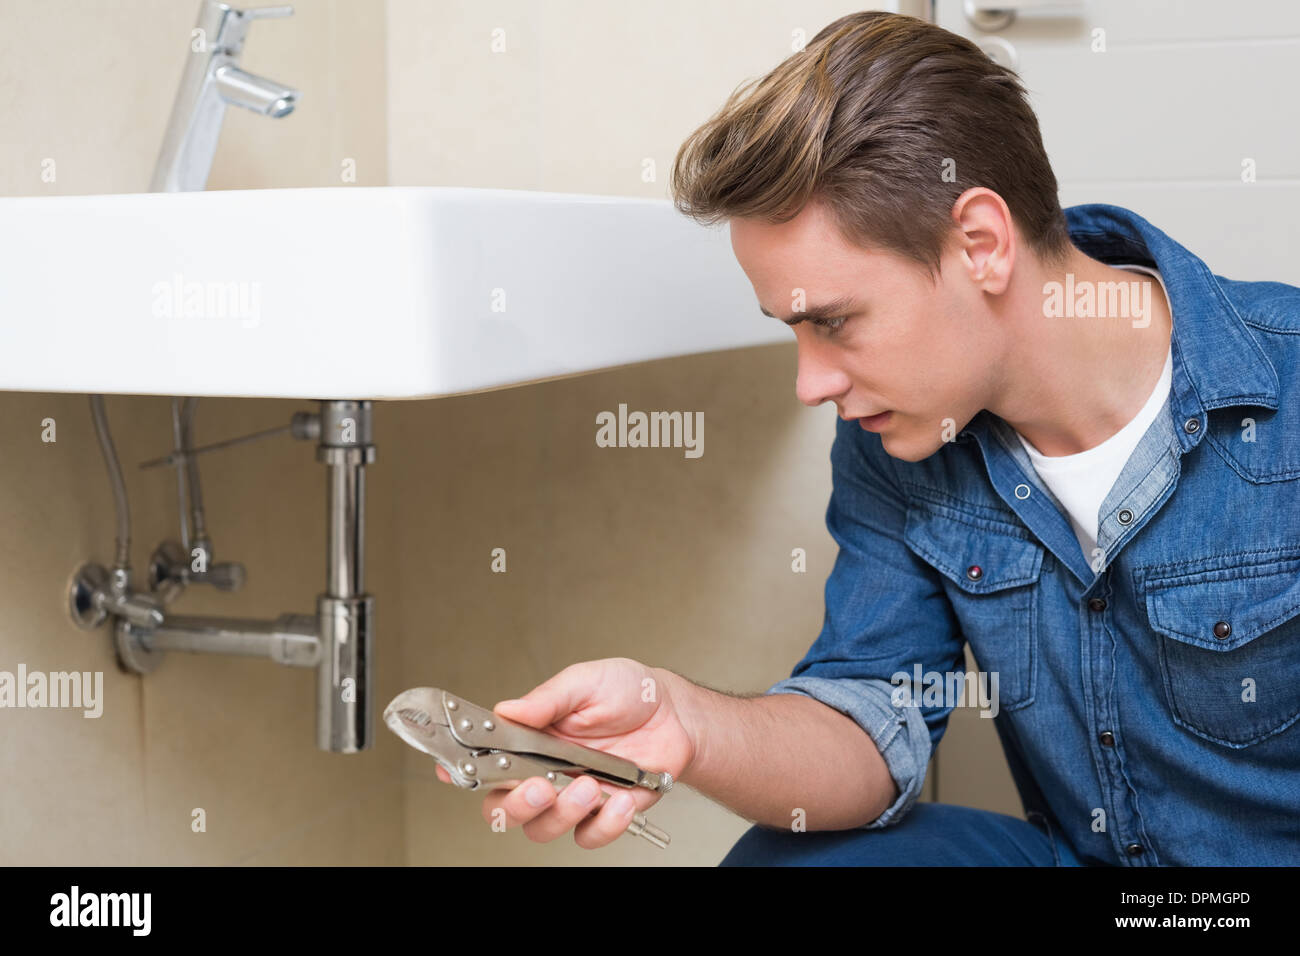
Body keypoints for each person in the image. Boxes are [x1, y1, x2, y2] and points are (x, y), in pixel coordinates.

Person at [433, 10, 1300, 865]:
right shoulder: (904, 438)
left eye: (836, 322)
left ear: (981, 244)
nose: (812, 385)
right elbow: (866, 722)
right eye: (792, 330)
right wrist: (681, 722)